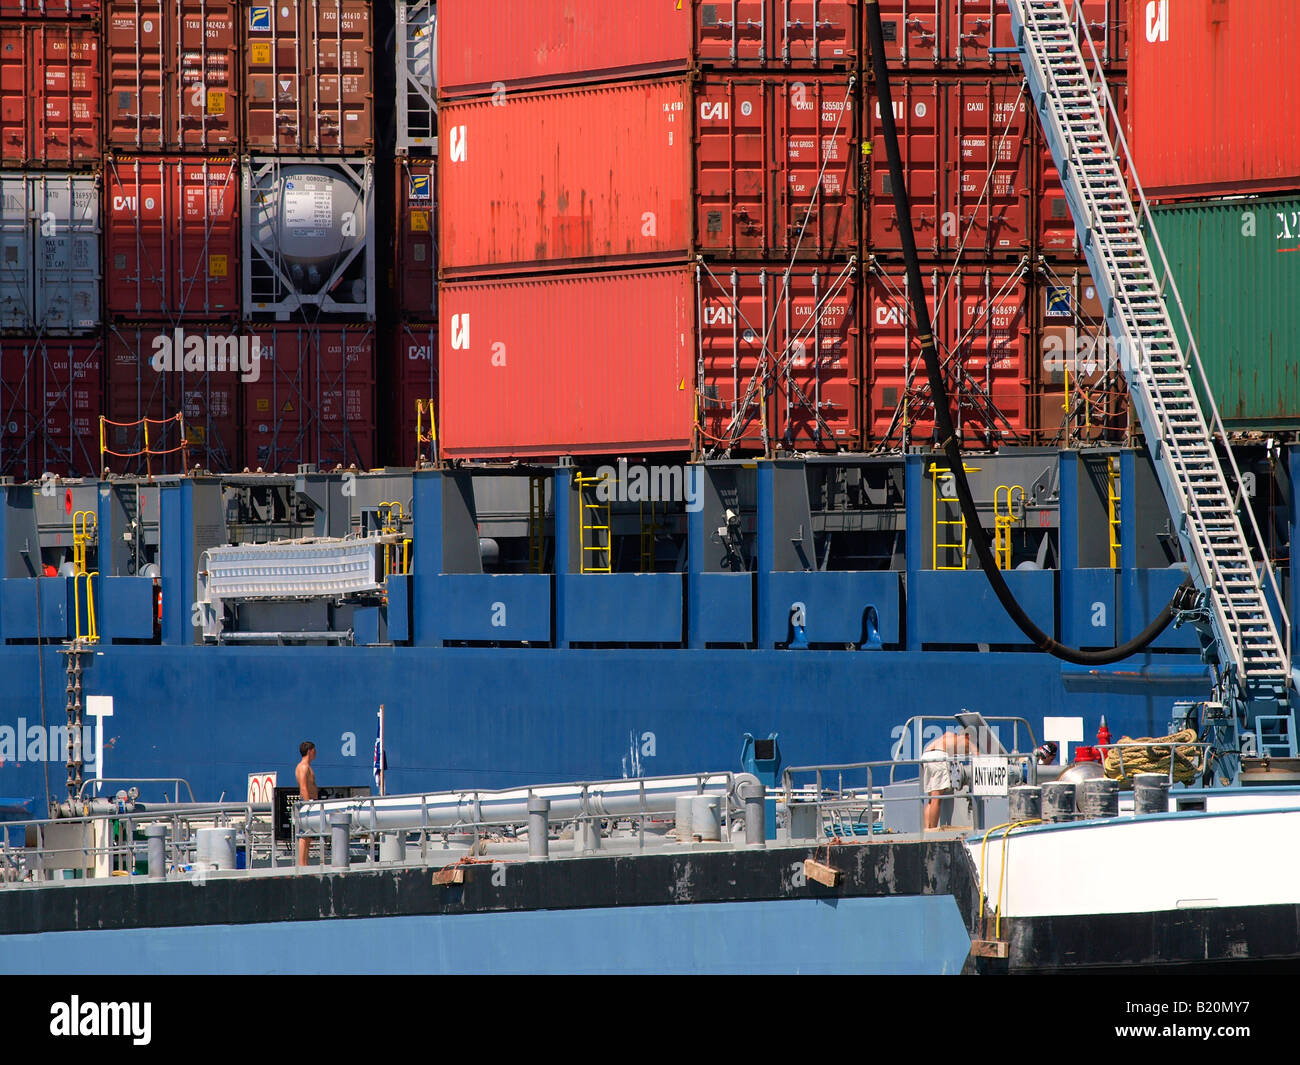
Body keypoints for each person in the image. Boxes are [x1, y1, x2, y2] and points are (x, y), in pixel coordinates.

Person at [921, 729, 973, 830]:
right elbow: (975, 754)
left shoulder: (948, 736)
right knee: (937, 798)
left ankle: (927, 829)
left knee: (931, 799)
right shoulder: (965, 741)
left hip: (926, 755)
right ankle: (933, 830)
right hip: (939, 756)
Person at [295, 741, 318, 866]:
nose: (316, 753)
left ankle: (305, 863)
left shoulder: (307, 766)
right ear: (309, 751)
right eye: (314, 750)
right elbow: (303, 787)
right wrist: (309, 804)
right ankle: (302, 864)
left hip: (310, 802)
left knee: (308, 836)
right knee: (304, 836)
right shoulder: (303, 767)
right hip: (307, 803)